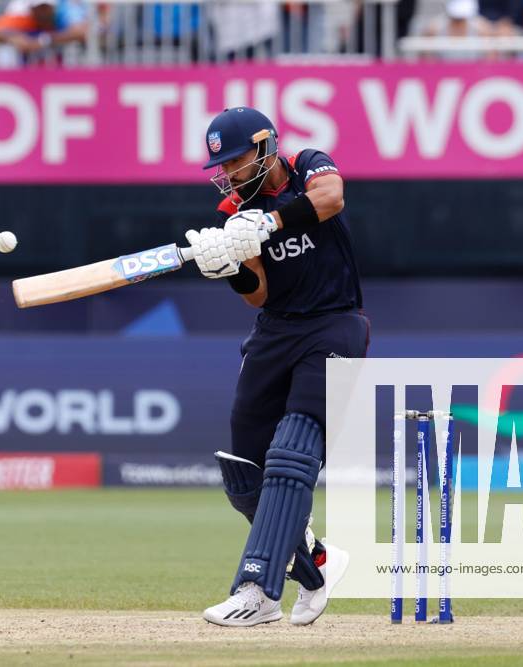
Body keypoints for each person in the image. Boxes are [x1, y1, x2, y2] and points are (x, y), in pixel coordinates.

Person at [185, 107, 367, 627]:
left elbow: (331, 199)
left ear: (265, 148)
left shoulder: (307, 164)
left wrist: (269, 221)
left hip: (334, 324)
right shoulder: (231, 210)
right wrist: (229, 267)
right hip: (274, 332)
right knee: (245, 473)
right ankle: (318, 564)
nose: (230, 173)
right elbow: (257, 292)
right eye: (223, 165)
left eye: (238, 161)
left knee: (293, 449)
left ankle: (259, 589)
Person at [0, 0, 87, 56]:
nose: (43, 13)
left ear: (53, 7)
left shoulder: (64, 9)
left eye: (46, 8)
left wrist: (44, 40)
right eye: (39, 8)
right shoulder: (20, 13)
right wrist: (12, 38)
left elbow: (82, 31)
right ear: (31, 9)